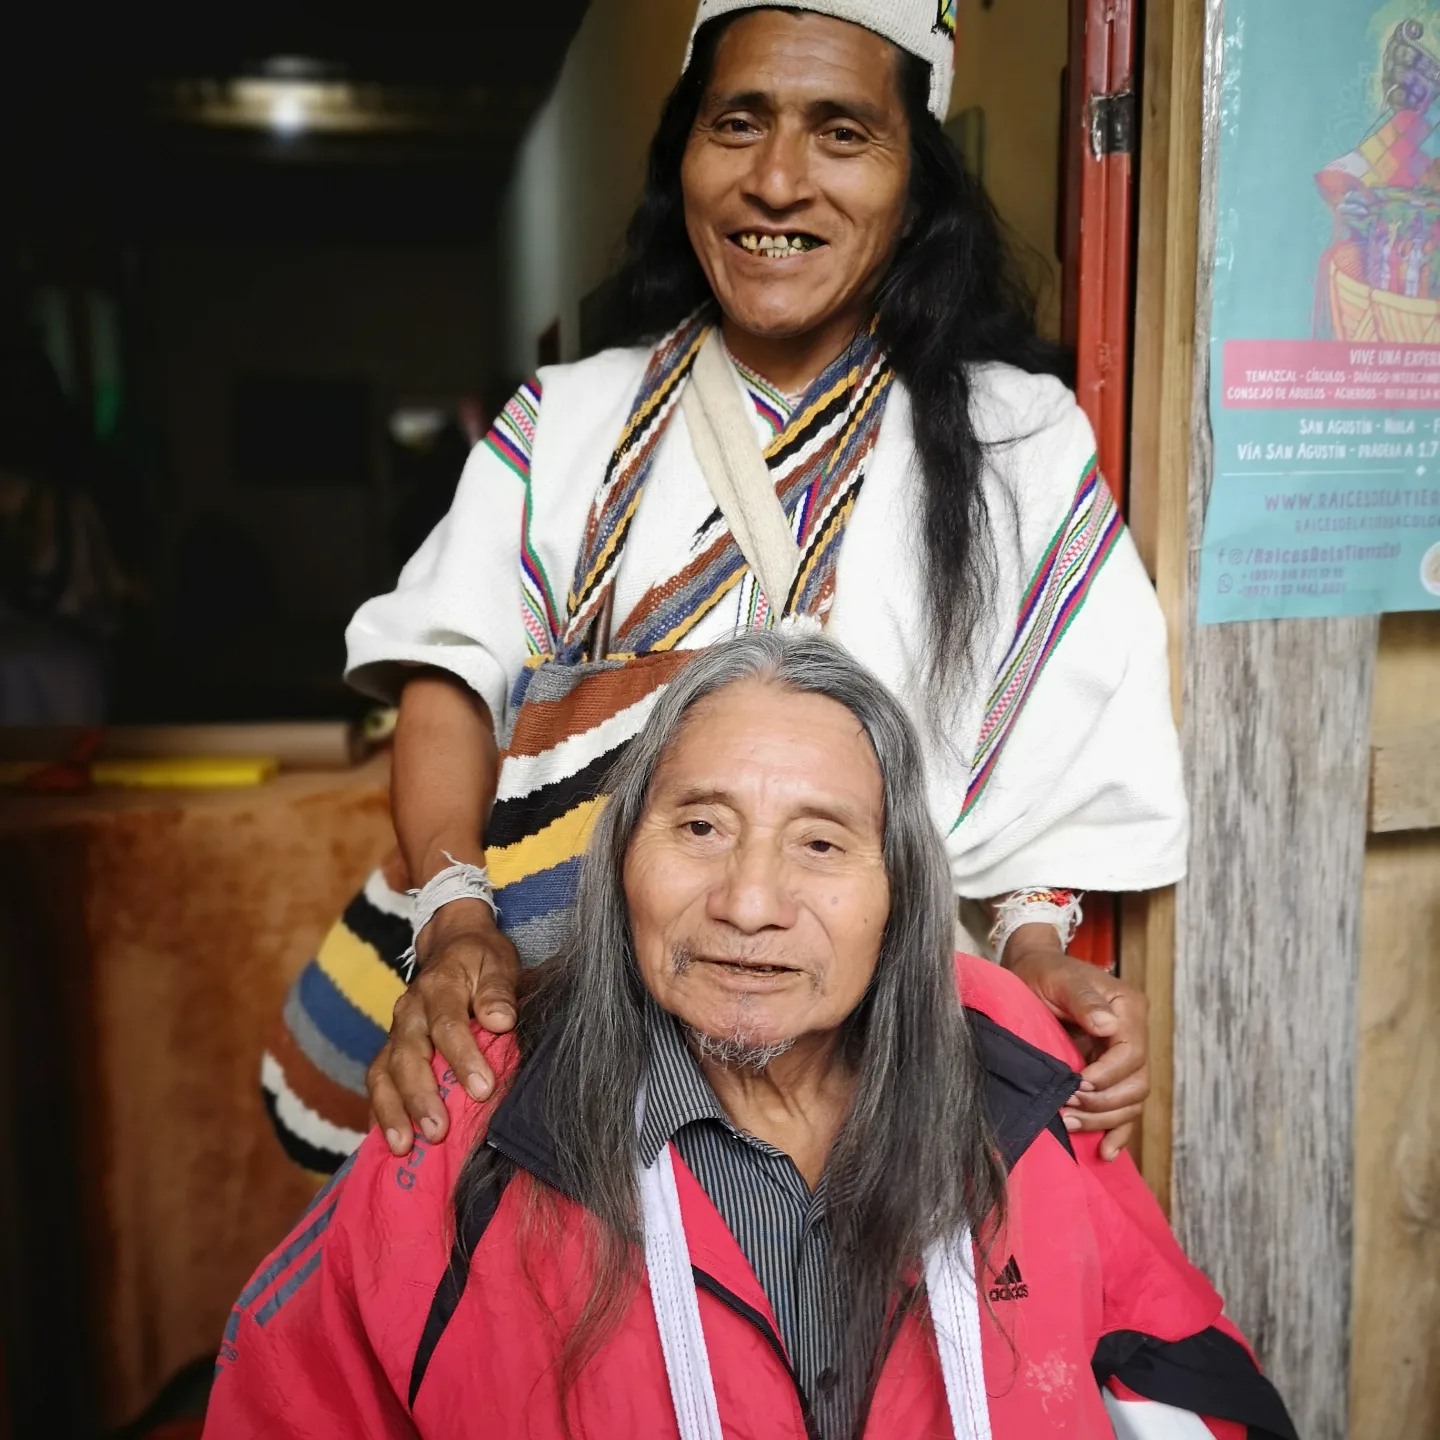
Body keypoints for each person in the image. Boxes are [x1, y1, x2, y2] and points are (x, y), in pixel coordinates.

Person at [265, 0, 1185, 1175]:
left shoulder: (1018, 442)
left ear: (918, 184)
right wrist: (454, 918)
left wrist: (1035, 949)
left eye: (844, 132)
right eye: (738, 123)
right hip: (573, 1067)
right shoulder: (569, 423)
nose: (779, 181)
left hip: (874, 1079)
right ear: (684, 156)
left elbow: (1054, 750)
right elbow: (450, 667)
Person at [212, 634, 1292, 1440]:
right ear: (620, 861)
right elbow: (286, 1400)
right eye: (699, 827)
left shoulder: (1009, 1073)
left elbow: (1182, 1370)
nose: (750, 901)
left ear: (900, 896)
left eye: (821, 843)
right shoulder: (469, 1122)